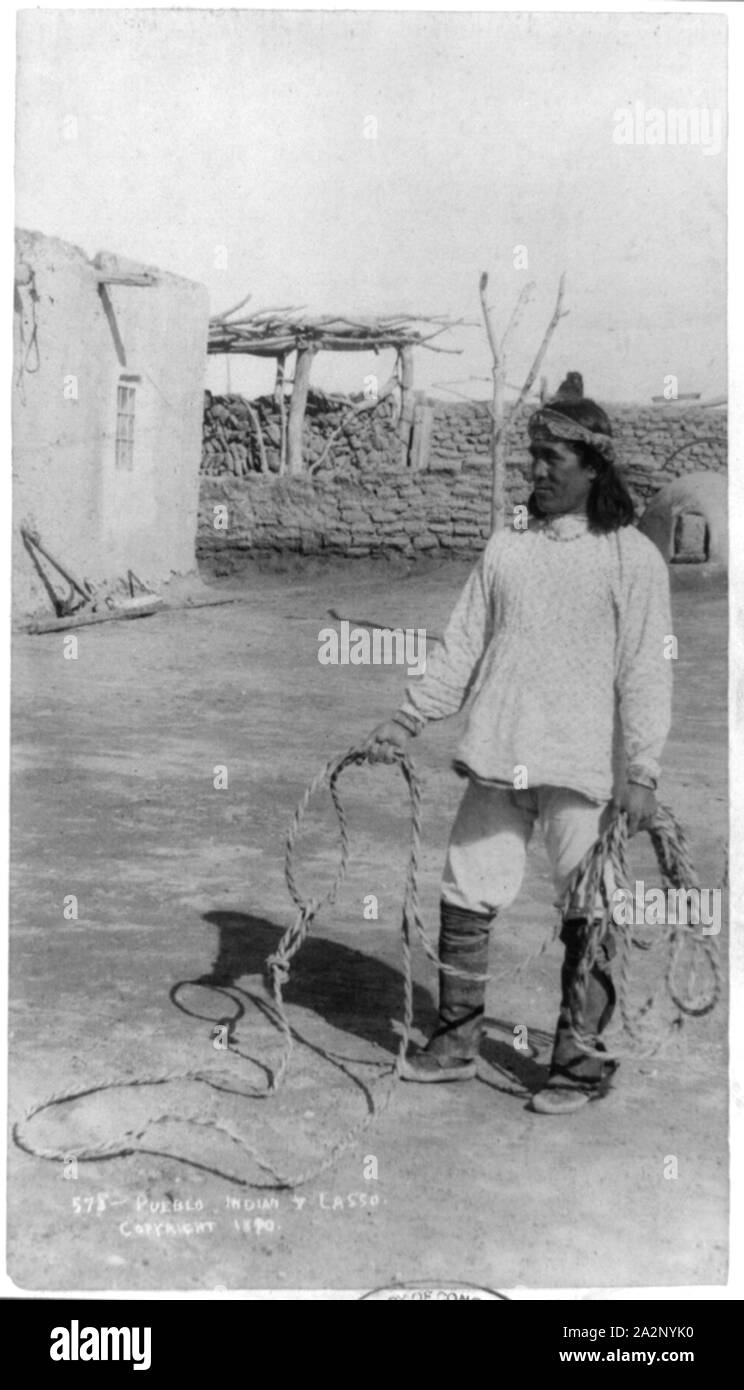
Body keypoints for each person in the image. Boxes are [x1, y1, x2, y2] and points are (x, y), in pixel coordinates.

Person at [363, 398, 672, 1114]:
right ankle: (456, 1043)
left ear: (594, 468)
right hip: (499, 753)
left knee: (590, 908)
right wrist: (409, 717)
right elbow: (463, 642)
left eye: (551, 460)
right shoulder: (508, 546)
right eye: (531, 455)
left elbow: (646, 671)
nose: (533, 471)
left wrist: (643, 771)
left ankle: (579, 1063)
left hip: (582, 770)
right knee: (464, 894)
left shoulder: (632, 559)